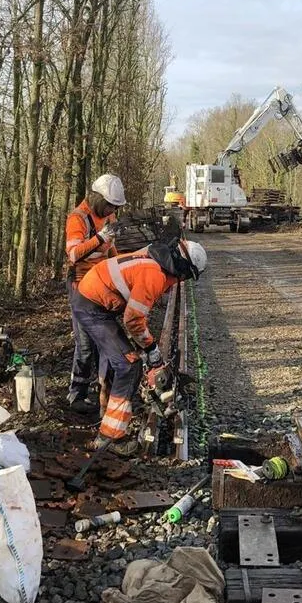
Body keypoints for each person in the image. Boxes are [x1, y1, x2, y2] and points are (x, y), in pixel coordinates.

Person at [74, 238, 207, 456]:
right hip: (93, 307)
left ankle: (106, 410)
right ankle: (109, 438)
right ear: (182, 268)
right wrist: (151, 349)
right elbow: (133, 319)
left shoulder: (153, 258)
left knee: (122, 359)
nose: (182, 281)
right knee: (128, 365)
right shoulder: (154, 274)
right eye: (186, 277)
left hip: (96, 299)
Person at [64, 173, 127, 416]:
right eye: (110, 205)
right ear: (97, 198)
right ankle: (76, 394)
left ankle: (102, 389)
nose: (112, 210)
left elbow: (110, 249)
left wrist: (120, 269)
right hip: (80, 285)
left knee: (105, 340)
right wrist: (99, 238)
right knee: (86, 344)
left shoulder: (108, 216)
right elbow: (73, 254)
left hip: (102, 283)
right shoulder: (78, 219)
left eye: (115, 207)